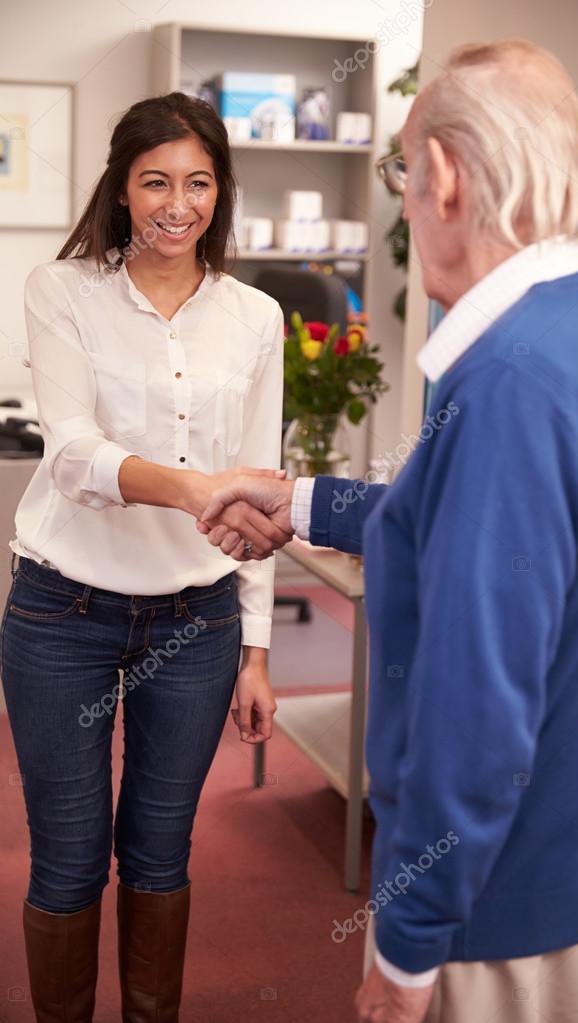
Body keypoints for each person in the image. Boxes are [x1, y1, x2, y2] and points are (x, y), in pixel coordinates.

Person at [194, 40, 578, 1023]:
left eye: (401, 174)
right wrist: (302, 501)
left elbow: (476, 707)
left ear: (443, 177)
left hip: (500, 905)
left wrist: (408, 945)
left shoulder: (507, 382)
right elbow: (514, 538)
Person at [0, 92, 289, 1022]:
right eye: (156, 180)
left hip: (197, 619)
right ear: (122, 190)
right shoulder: (64, 289)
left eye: (199, 181)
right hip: (62, 615)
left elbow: (259, 489)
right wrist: (197, 489)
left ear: (221, 191)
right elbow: (74, 453)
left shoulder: (255, 315)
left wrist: (256, 650)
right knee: (69, 855)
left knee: (163, 851)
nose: (179, 202)